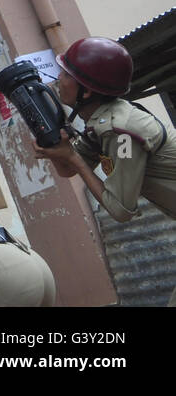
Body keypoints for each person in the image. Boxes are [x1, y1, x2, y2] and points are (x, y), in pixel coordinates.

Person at [32, 36, 176, 306]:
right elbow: (68, 171)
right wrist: (55, 147)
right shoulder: (100, 122)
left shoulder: (120, 130)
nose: (56, 80)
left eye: (64, 74)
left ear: (85, 92)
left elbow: (121, 210)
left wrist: (72, 157)